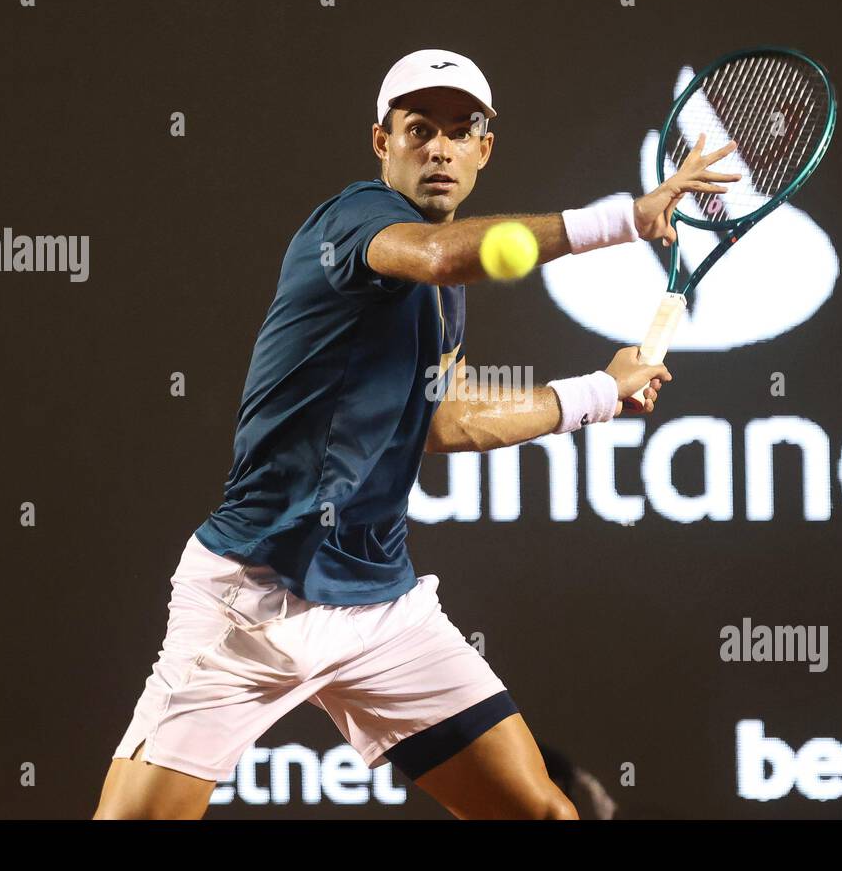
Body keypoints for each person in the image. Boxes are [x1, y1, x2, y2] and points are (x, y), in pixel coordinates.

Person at [93, 47, 739, 820]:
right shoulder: (357, 222)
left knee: (543, 814)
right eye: (418, 128)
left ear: (483, 151)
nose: (439, 146)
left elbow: (450, 417)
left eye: (461, 131)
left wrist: (601, 390)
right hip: (253, 599)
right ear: (383, 143)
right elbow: (437, 257)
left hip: (382, 608)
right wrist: (626, 219)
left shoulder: (446, 298)